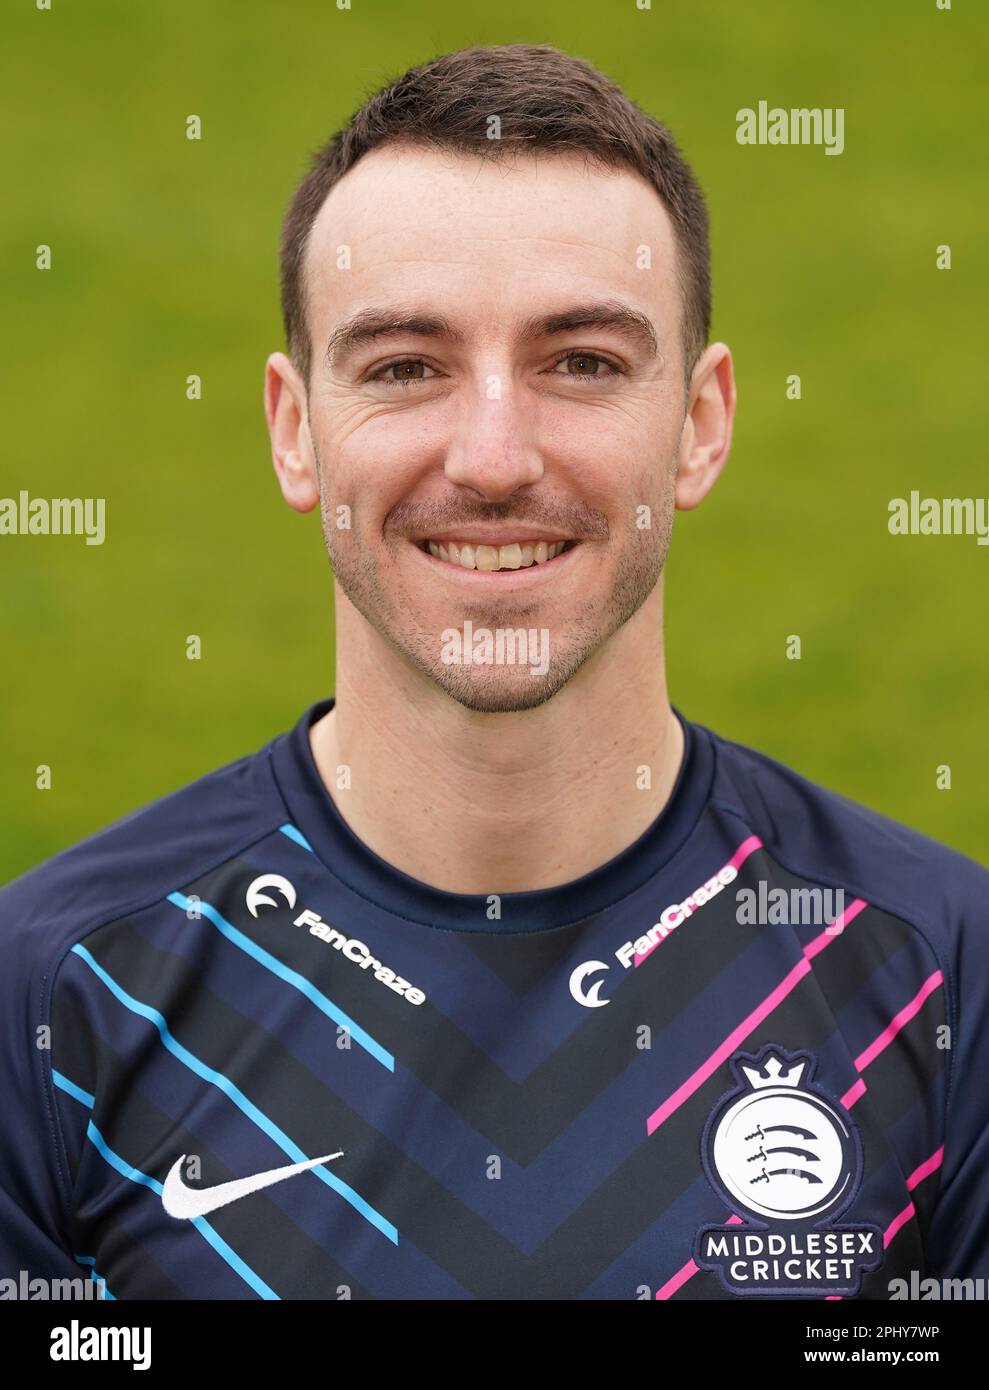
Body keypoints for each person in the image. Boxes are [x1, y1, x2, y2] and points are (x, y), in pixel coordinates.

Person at [1, 44, 985, 1302]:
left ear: (700, 423)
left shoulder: (943, 975)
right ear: (295, 430)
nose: (492, 457)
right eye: (404, 366)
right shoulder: (54, 994)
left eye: (579, 361)